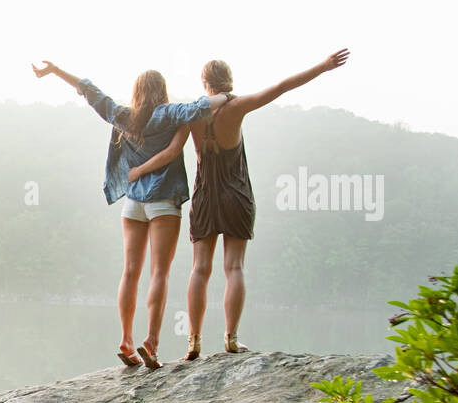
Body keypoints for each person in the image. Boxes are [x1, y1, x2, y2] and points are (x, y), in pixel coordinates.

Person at [126, 49, 350, 359]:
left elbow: (172, 150)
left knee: (199, 269)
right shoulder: (238, 106)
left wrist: (137, 169)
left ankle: (193, 340)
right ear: (228, 81)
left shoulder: (193, 113)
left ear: (205, 83)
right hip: (236, 194)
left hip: (205, 196)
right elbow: (282, 86)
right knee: (234, 267)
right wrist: (323, 67)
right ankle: (231, 338)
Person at [33, 60, 226, 369]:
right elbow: (203, 106)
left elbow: (89, 90)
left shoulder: (124, 116)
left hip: (132, 202)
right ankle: (150, 342)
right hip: (163, 201)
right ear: (161, 91)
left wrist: (54, 70)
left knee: (130, 272)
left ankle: (125, 339)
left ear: (136, 91)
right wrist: (227, 96)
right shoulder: (170, 114)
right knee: (158, 273)